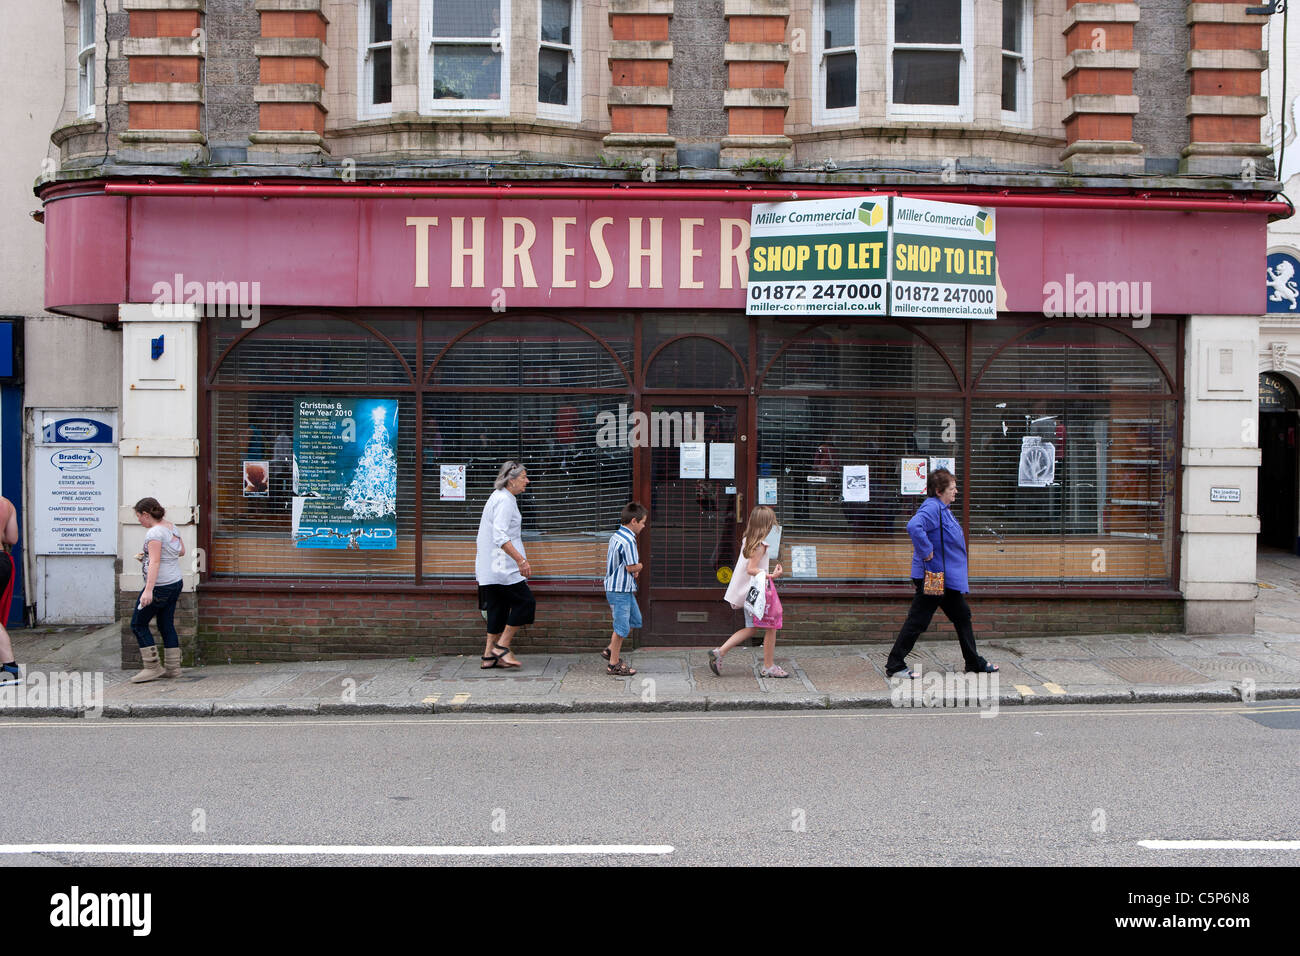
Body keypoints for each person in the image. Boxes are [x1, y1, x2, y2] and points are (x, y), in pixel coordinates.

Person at [885, 468, 998, 679]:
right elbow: (913, 526)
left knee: (962, 615)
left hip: (942, 577)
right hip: (933, 576)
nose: (956, 492)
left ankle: (973, 662)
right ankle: (895, 664)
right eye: (952, 488)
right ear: (939, 490)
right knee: (919, 620)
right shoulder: (932, 508)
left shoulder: (942, 508)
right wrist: (926, 551)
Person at [710, 505, 788, 678]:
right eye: (771, 523)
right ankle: (768, 666)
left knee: (752, 628)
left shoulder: (748, 540)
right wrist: (771, 575)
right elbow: (751, 569)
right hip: (755, 593)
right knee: (771, 626)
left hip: (748, 592)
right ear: (766, 525)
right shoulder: (759, 546)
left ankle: (719, 652)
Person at [476, 460, 534, 669]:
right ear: (511, 480)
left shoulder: (498, 497)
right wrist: (521, 560)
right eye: (523, 477)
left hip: (491, 565)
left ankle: (488, 656)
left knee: (497, 609)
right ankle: (502, 647)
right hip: (503, 566)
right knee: (526, 603)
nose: (527, 481)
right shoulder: (505, 500)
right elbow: (500, 535)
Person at [129, 497, 187, 683]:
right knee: (165, 624)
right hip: (175, 582)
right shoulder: (171, 527)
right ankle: (173, 669)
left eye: (139, 517)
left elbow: (155, 561)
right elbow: (181, 551)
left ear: (146, 514)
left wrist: (148, 591)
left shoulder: (154, 533)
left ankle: (152, 668)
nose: (139, 521)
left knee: (138, 624)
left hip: (160, 586)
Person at [603, 502, 647, 677]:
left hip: (623, 588)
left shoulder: (617, 535)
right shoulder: (629, 540)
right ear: (634, 521)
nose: (644, 526)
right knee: (621, 627)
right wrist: (640, 566)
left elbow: (621, 564)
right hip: (619, 590)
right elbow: (630, 567)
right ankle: (613, 664)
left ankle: (609, 650)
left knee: (635, 620)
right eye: (643, 522)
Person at [0, 495, 21, 686]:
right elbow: (12, 538)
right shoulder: (7, 504)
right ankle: (10, 669)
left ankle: (10, 668)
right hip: (3, 561)